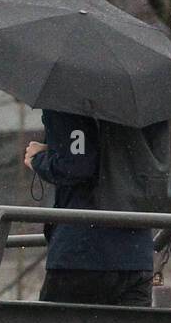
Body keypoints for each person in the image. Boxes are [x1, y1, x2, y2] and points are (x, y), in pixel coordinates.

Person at [25, 109, 153, 306]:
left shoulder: (67, 99)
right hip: (137, 251)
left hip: (83, 250)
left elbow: (78, 165)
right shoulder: (141, 104)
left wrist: (38, 160)